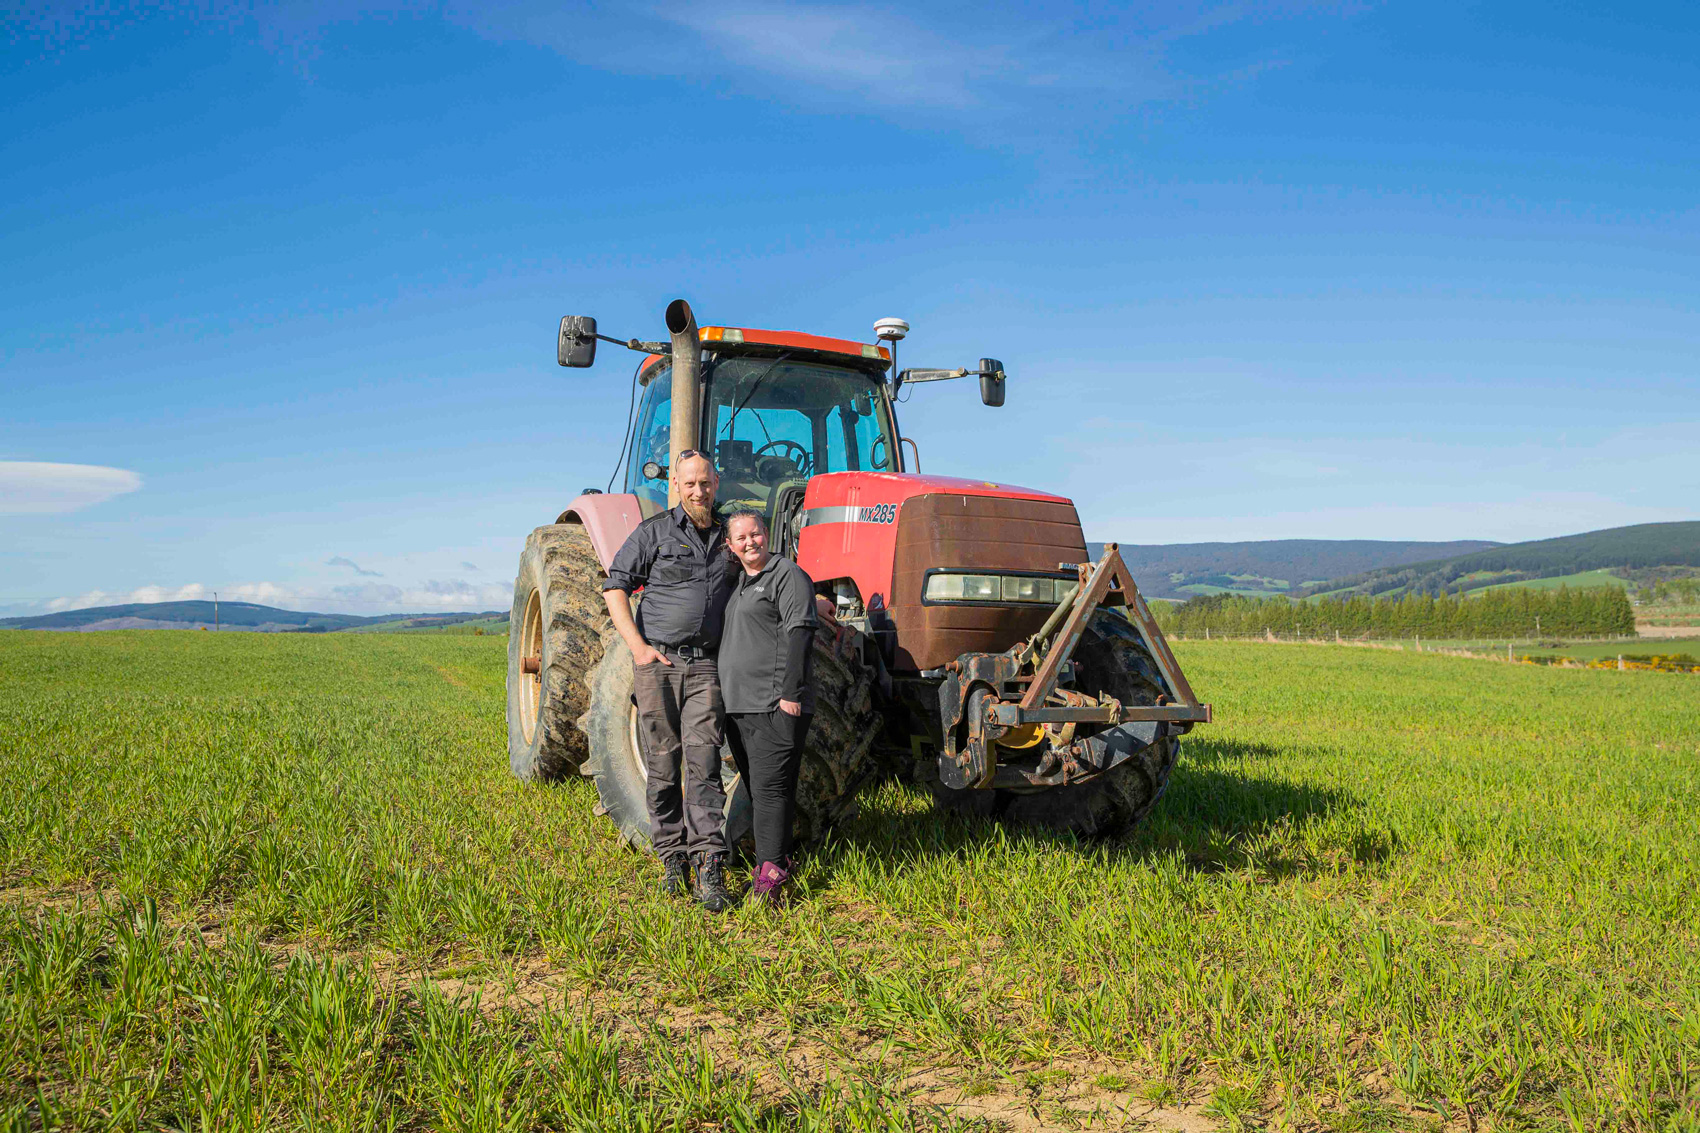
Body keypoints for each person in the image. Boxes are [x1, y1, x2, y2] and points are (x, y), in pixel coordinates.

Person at [601, 450, 738, 912]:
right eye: (691, 484)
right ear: (675, 486)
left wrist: (812, 598)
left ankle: (708, 866)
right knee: (662, 765)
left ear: (716, 484)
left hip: (706, 668)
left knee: (704, 766)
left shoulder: (728, 537)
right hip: (658, 665)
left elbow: (764, 575)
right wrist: (638, 648)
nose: (699, 491)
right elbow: (615, 586)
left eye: (706, 483)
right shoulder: (654, 533)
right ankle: (671, 857)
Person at [718, 508, 818, 905]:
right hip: (740, 706)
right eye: (740, 538)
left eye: (755, 534)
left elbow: (800, 634)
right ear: (730, 546)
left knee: (772, 790)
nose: (750, 542)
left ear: (767, 534)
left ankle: (772, 878)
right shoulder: (741, 582)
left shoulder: (787, 575)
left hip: (774, 704)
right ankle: (770, 864)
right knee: (761, 791)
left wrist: (791, 694)